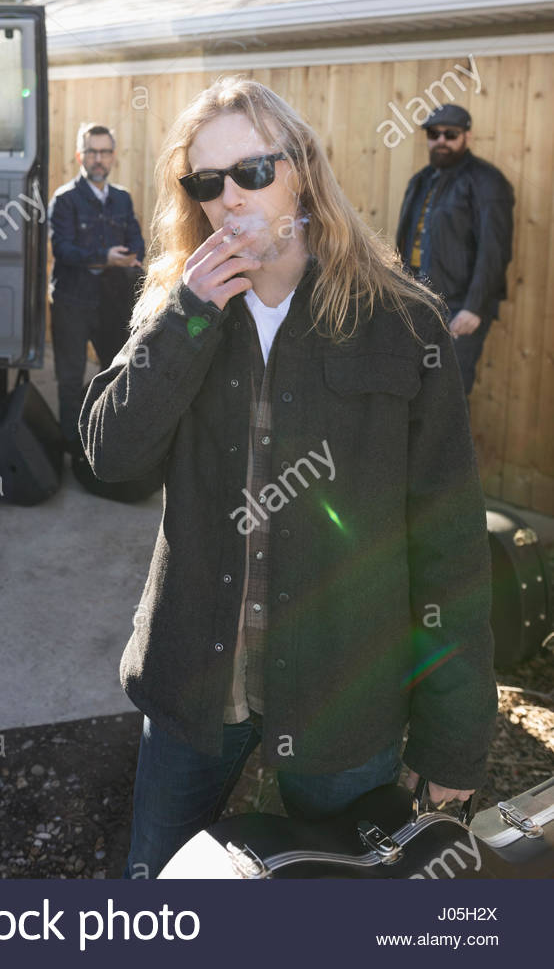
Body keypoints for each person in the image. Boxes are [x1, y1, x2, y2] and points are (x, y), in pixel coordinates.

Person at [80, 76, 498, 879]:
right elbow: (109, 457)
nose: (230, 198)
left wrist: (454, 739)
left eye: (252, 172)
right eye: (206, 183)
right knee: (157, 890)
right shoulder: (177, 304)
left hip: (345, 701)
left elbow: (449, 544)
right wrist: (187, 318)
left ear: (301, 170)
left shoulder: (402, 320)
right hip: (195, 687)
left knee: (337, 911)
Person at [395, 103, 514, 395]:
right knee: (414, 393)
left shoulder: (487, 181)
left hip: (459, 308)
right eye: (434, 134)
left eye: (450, 134)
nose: (441, 141)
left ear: (466, 136)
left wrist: (475, 307)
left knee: (449, 396)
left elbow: (494, 250)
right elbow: (404, 242)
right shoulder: (421, 180)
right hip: (416, 303)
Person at [48, 123, 145, 452]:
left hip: (111, 304)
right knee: (70, 379)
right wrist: (105, 257)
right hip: (71, 302)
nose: (99, 159)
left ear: (113, 156)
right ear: (80, 156)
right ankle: (70, 451)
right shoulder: (65, 200)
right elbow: (63, 250)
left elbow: (136, 241)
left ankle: (103, 445)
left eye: (105, 152)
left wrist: (131, 258)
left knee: (116, 372)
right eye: (92, 152)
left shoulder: (122, 199)